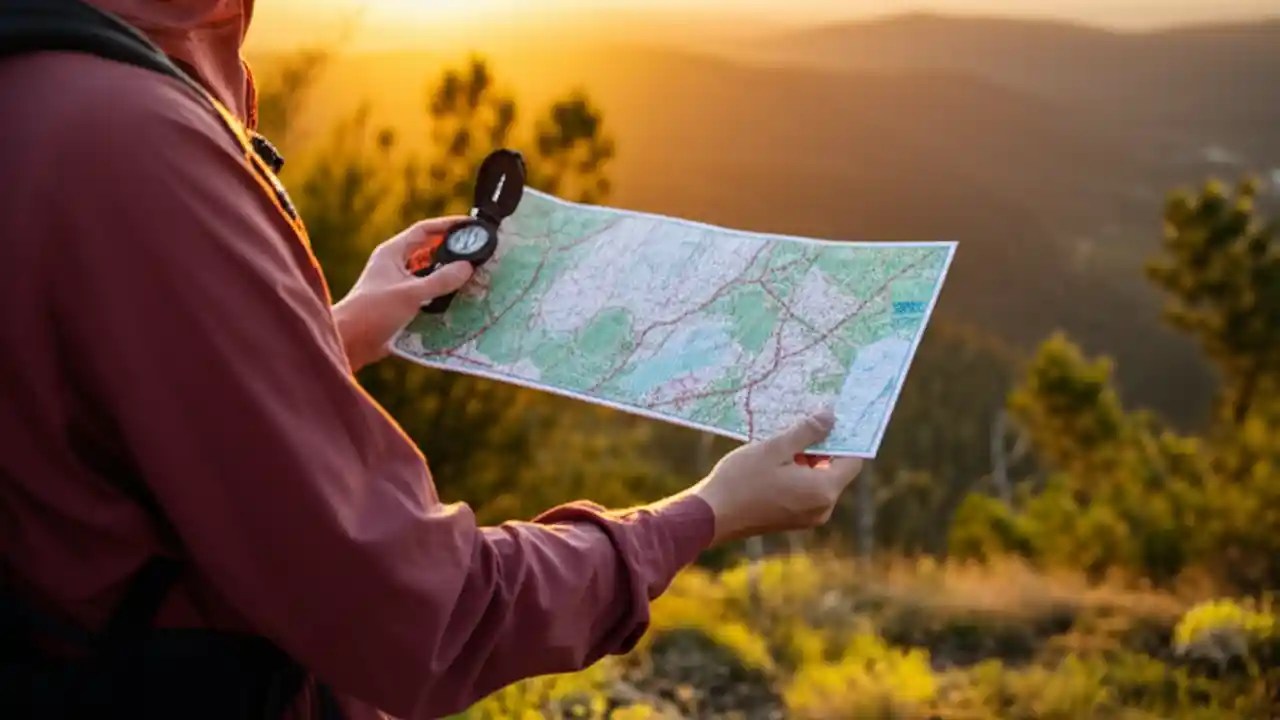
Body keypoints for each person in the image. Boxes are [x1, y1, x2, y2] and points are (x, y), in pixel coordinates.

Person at [0, 0, 863, 718]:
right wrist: (702, 514)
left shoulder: (47, 80)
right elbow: (423, 614)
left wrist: (330, 335)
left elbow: (95, 414)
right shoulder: (134, 143)